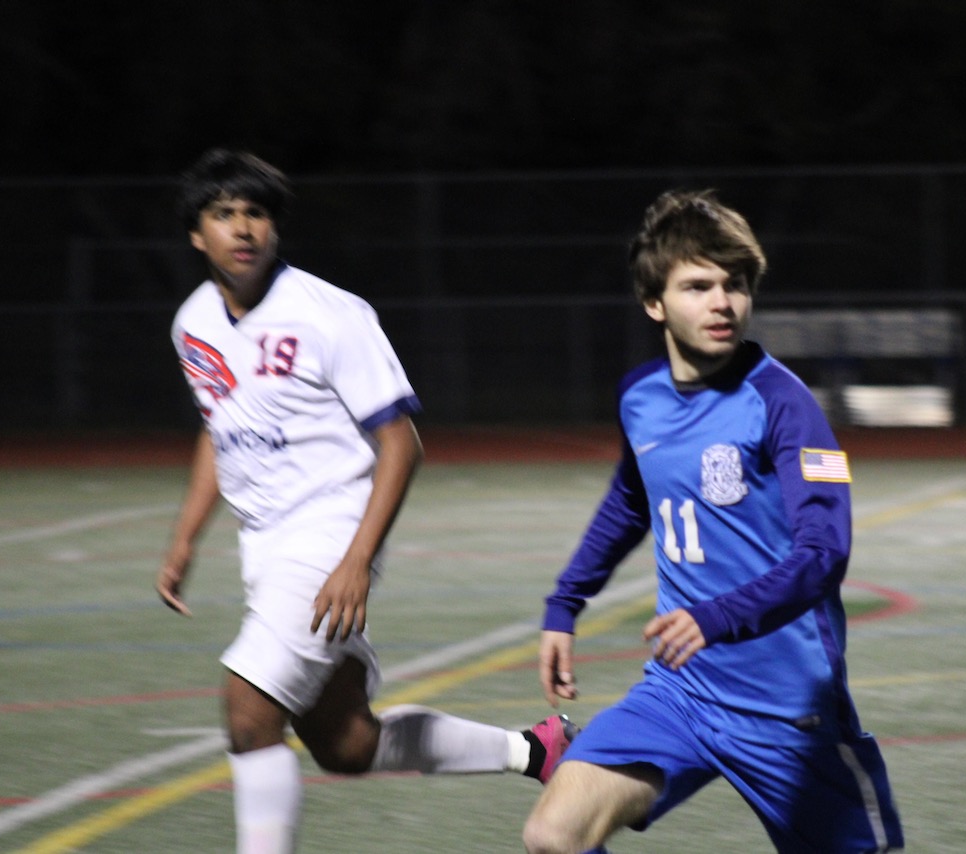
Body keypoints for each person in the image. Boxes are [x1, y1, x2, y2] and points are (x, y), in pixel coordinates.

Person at [156, 148, 575, 854]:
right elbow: (217, 427)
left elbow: (401, 440)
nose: (242, 228)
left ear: (274, 228)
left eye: (255, 212)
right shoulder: (193, 321)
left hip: (328, 539)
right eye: (223, 214)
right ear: (198, 234)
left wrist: (356, 559)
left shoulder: (330, 313)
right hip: (265, 548)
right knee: (347, 743)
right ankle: (537, 752)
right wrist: (185, 538)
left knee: (248, 713)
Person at [522, 189, 905, 853]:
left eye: (735, 284)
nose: (722, 302)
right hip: (681, 696)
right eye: (698, 286)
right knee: (554, 835)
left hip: (790, 713)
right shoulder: (640, 398)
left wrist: (714, 617)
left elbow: (824, 553)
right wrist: (565, 603)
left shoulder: (786, 404)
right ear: (655, 303)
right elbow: (631, 498)